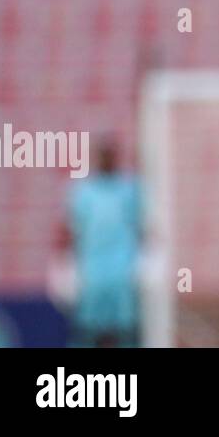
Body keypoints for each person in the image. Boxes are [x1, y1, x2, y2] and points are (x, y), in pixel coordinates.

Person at [67, 137, 143, 347]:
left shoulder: (130, 190)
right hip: (92, 273)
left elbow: (142, 229)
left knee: (126, 331)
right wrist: (66, 264)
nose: (106, 159)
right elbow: (71, 231)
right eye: (103, 154)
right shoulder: (83, 192)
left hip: (122, 274)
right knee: (87, 331)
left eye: (110, 154)